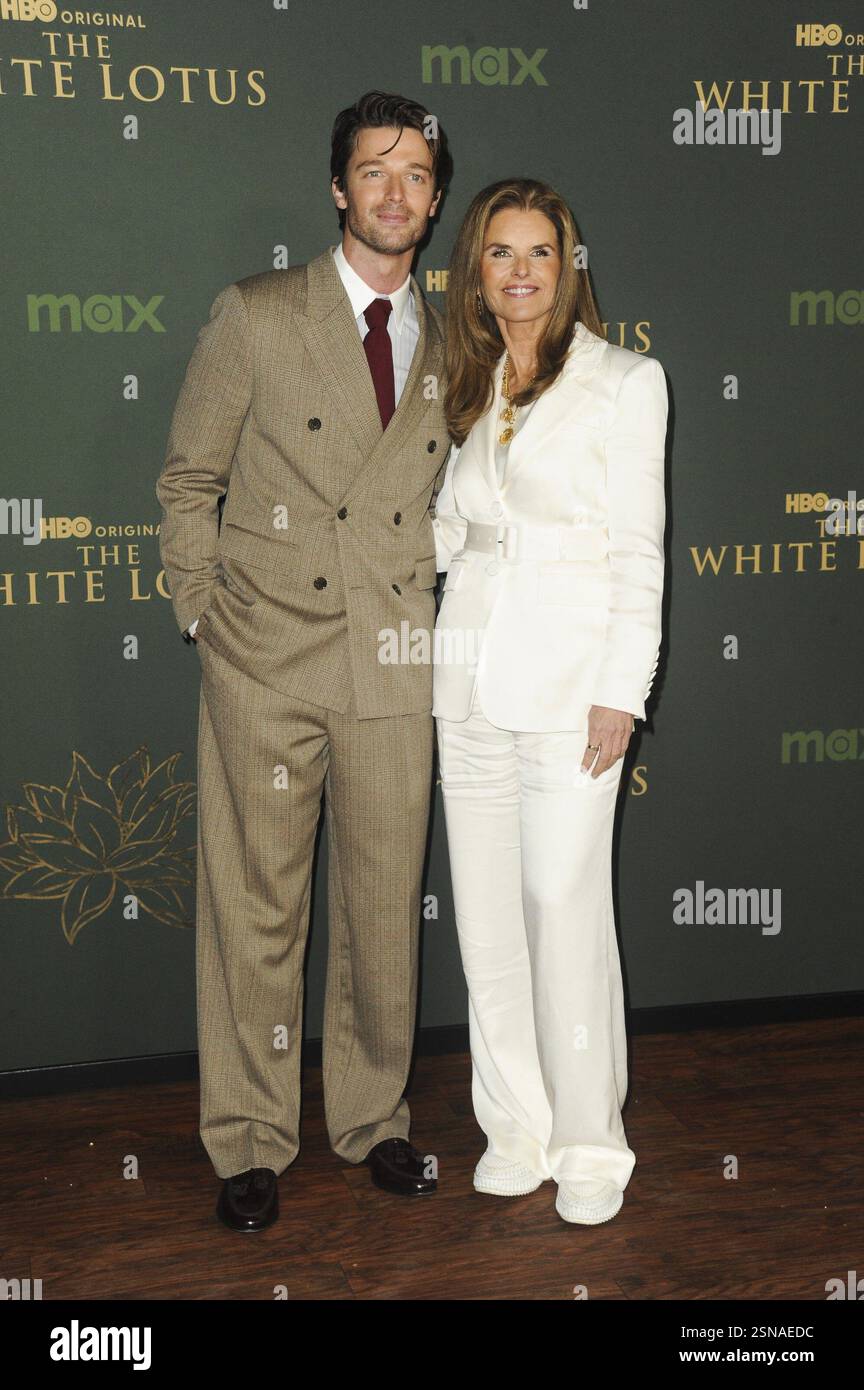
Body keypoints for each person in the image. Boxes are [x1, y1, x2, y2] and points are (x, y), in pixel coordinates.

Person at [156, 91, 453, 1232]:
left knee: (383, 912)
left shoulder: (453, 339)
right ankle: (247, 1137)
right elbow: (189, 478)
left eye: (415, 174)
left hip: (392, 662)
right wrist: (201, 612)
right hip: (267, 658)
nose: (394, 192)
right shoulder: (259, 313)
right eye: (374, 170)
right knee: (256, 910)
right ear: (338, 189)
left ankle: (375, 1120)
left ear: (435, 197)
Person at [431, 179, 668, 1226]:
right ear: (476, 274)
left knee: (563, 910)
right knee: (487, 924)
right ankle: (516, 1127)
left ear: (569, 266)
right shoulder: (471, 382)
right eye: (500, 253)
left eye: (539, 252)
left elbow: (639, 553)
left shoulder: (626, 381)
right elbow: (453, 532)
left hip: (574, 692)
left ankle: (589, 1143)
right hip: (467, 684)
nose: (520, 271)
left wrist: (623, 691)